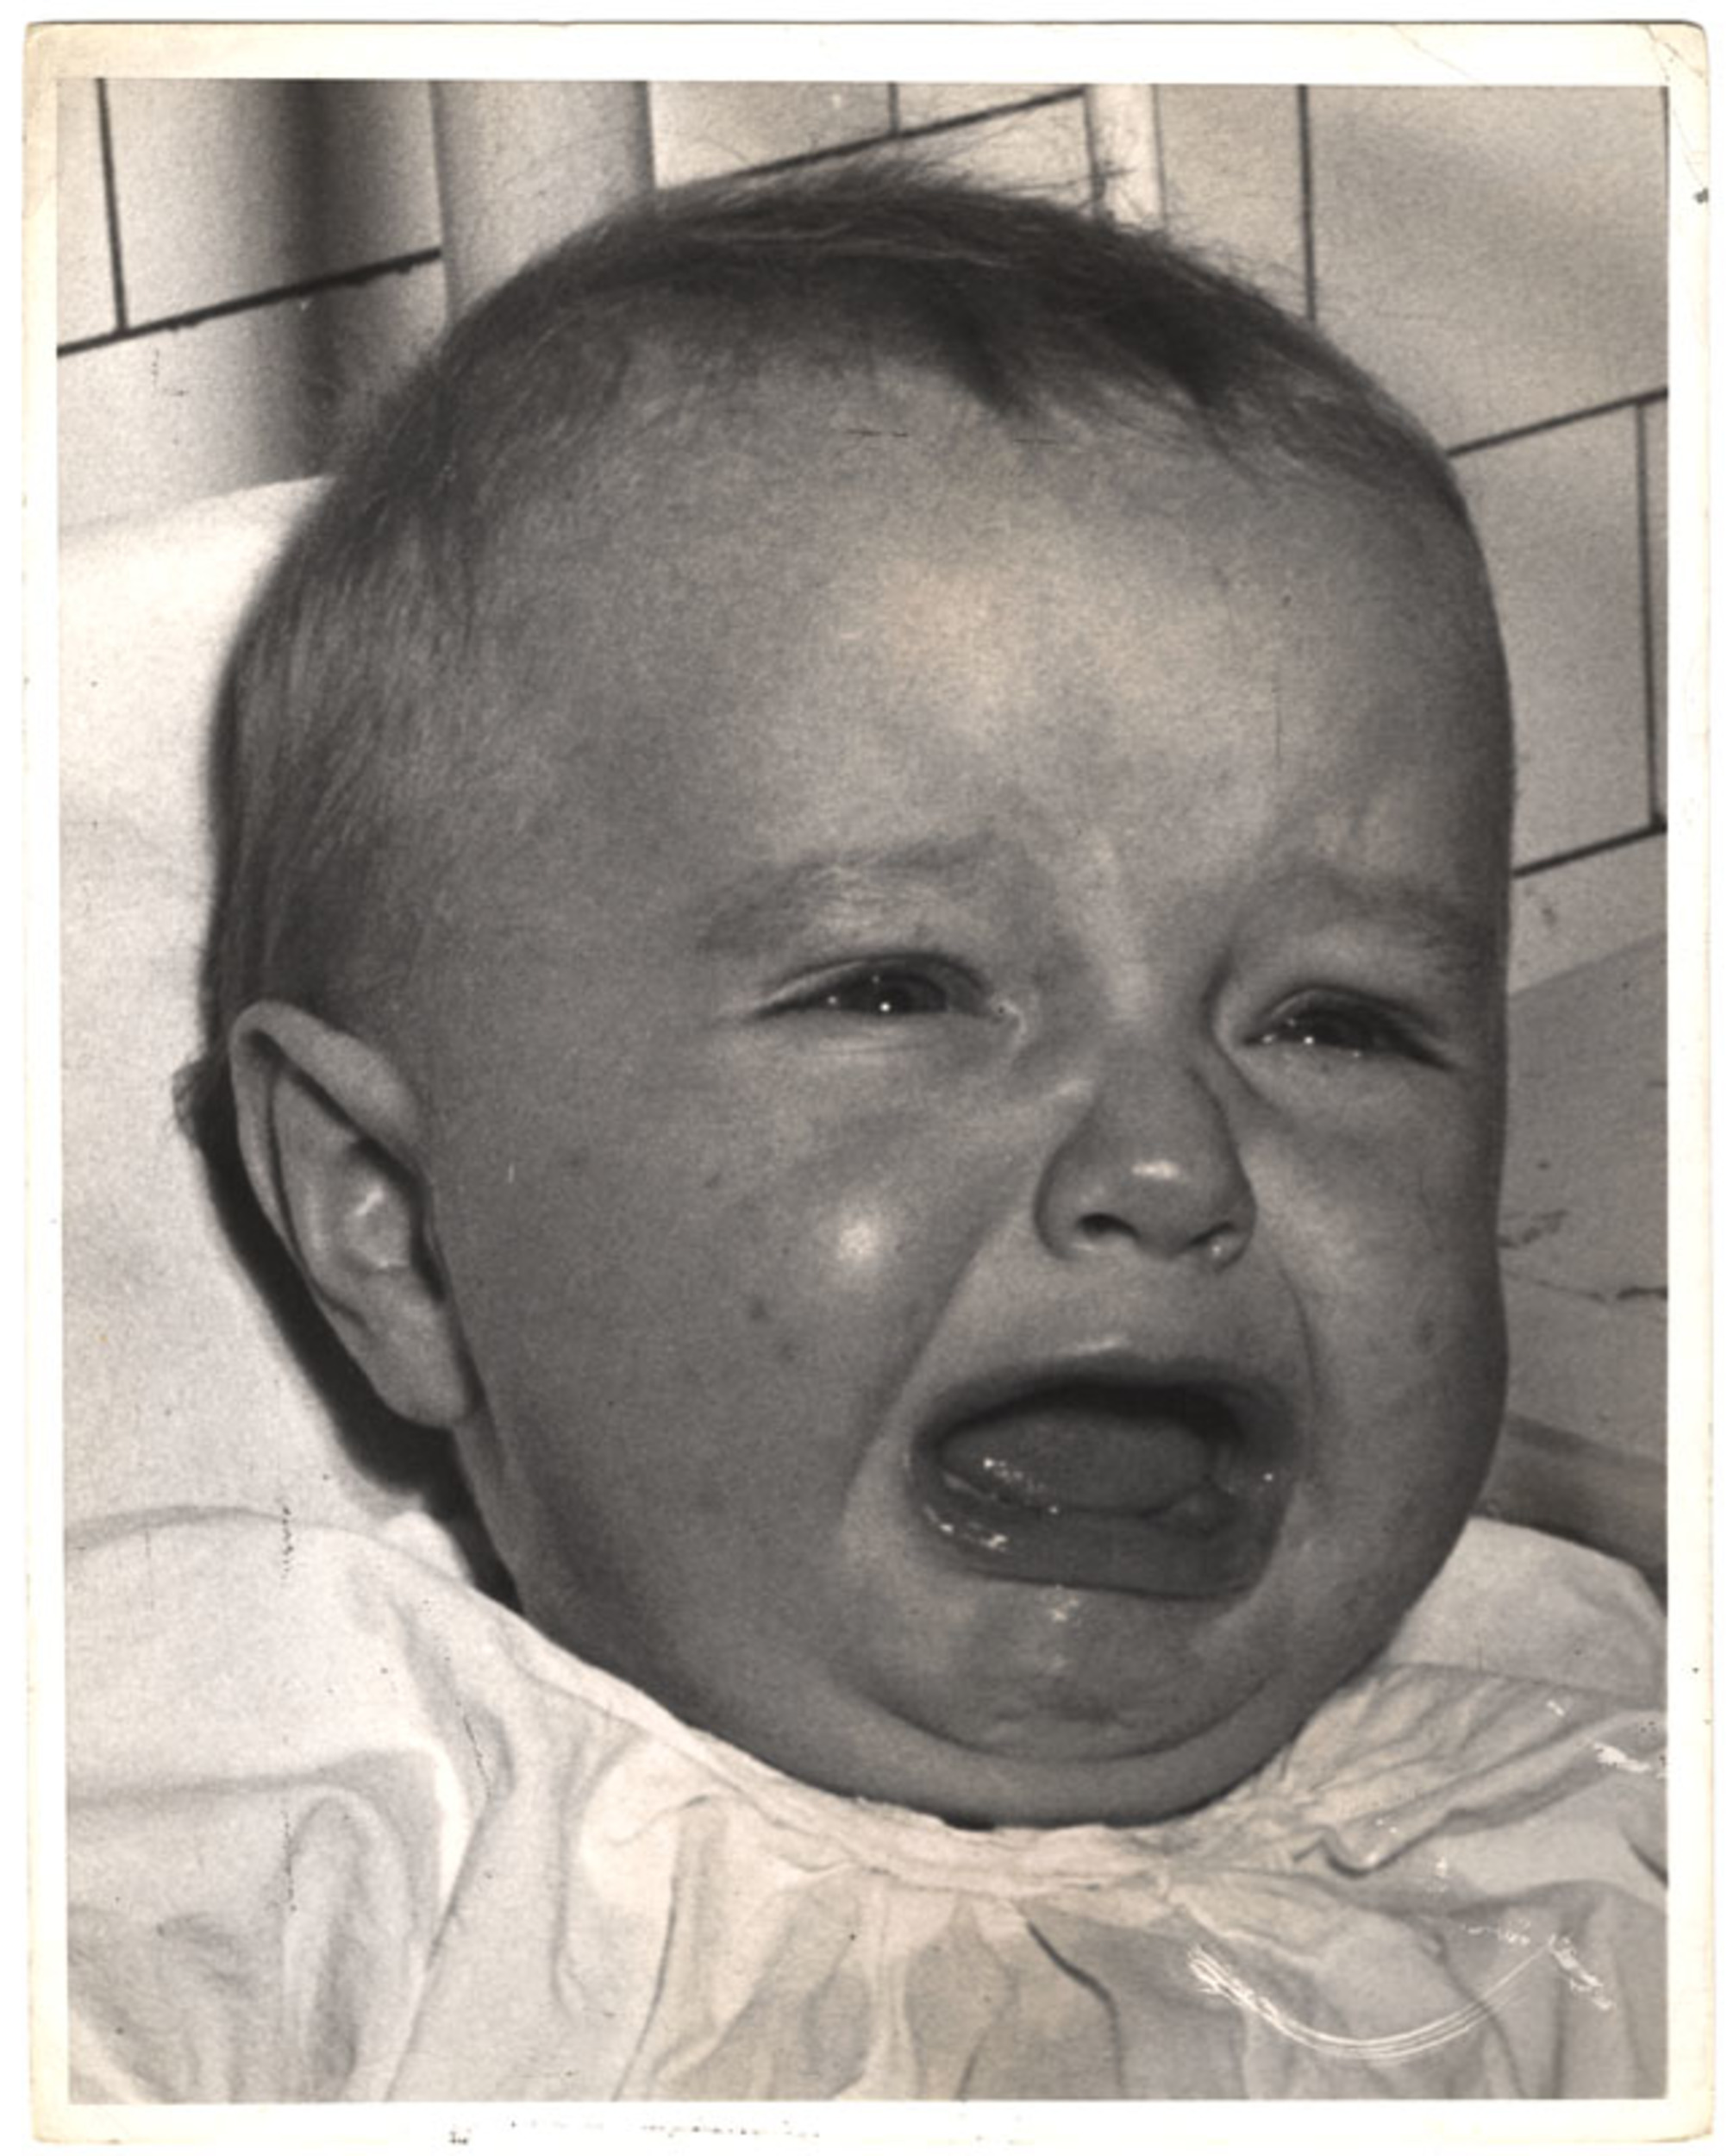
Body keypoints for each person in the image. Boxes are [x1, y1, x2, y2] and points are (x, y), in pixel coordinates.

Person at [66, 164, 1665, 2103]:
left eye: (1339, 1019)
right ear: (392, 1218)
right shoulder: (286, 1885)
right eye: (901, 986)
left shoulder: (1607, 1779)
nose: (1171, 1162)